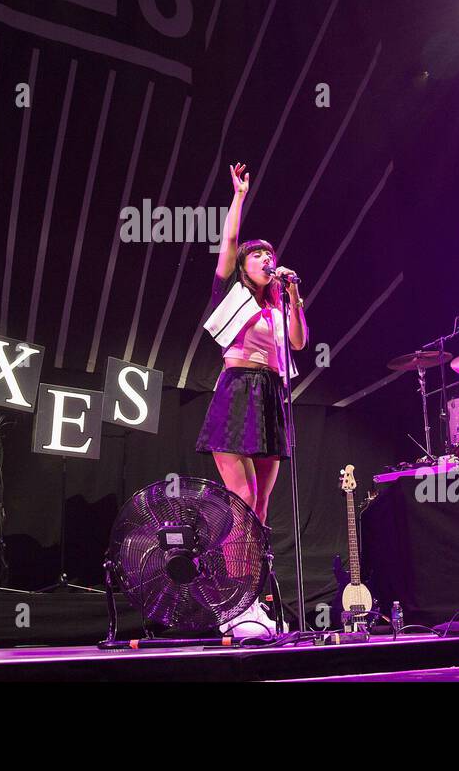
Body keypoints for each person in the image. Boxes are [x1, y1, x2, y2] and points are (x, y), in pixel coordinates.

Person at [197, 162, 308, 634]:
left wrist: (295, 294)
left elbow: (300, 344)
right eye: (257, 256)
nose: (266, 260)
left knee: (260, 511)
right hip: (238, 389)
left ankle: (254, 599)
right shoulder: (233, 294)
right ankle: (234, 603)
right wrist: (239, 196)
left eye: (270, 255)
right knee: (240, 501)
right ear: (245, 267)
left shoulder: (278, 306)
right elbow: (227, 244)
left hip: (271, 397)